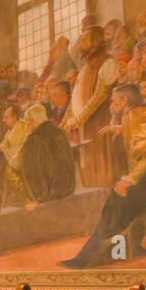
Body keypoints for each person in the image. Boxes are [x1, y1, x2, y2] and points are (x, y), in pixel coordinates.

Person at [61, 85, 146, 268]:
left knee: (116, 200)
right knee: (122, 195)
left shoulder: (138, 115)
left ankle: (88, 257)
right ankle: (128, 246)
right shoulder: (136, 115)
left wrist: (131, 178)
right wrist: (123, 129)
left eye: (113, 101)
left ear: (125, 101)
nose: (110, 106)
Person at [62, 24, 121, 187]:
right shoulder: (85, 68)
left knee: (104, 168)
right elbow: (74, 98)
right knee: (89, 168)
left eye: (86, 40)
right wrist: (67, 120)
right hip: (85, 125)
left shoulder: (108, 61)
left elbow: (100, 96)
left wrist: (78, 119)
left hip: (101, 122)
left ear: (96, 41)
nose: (82, 44)